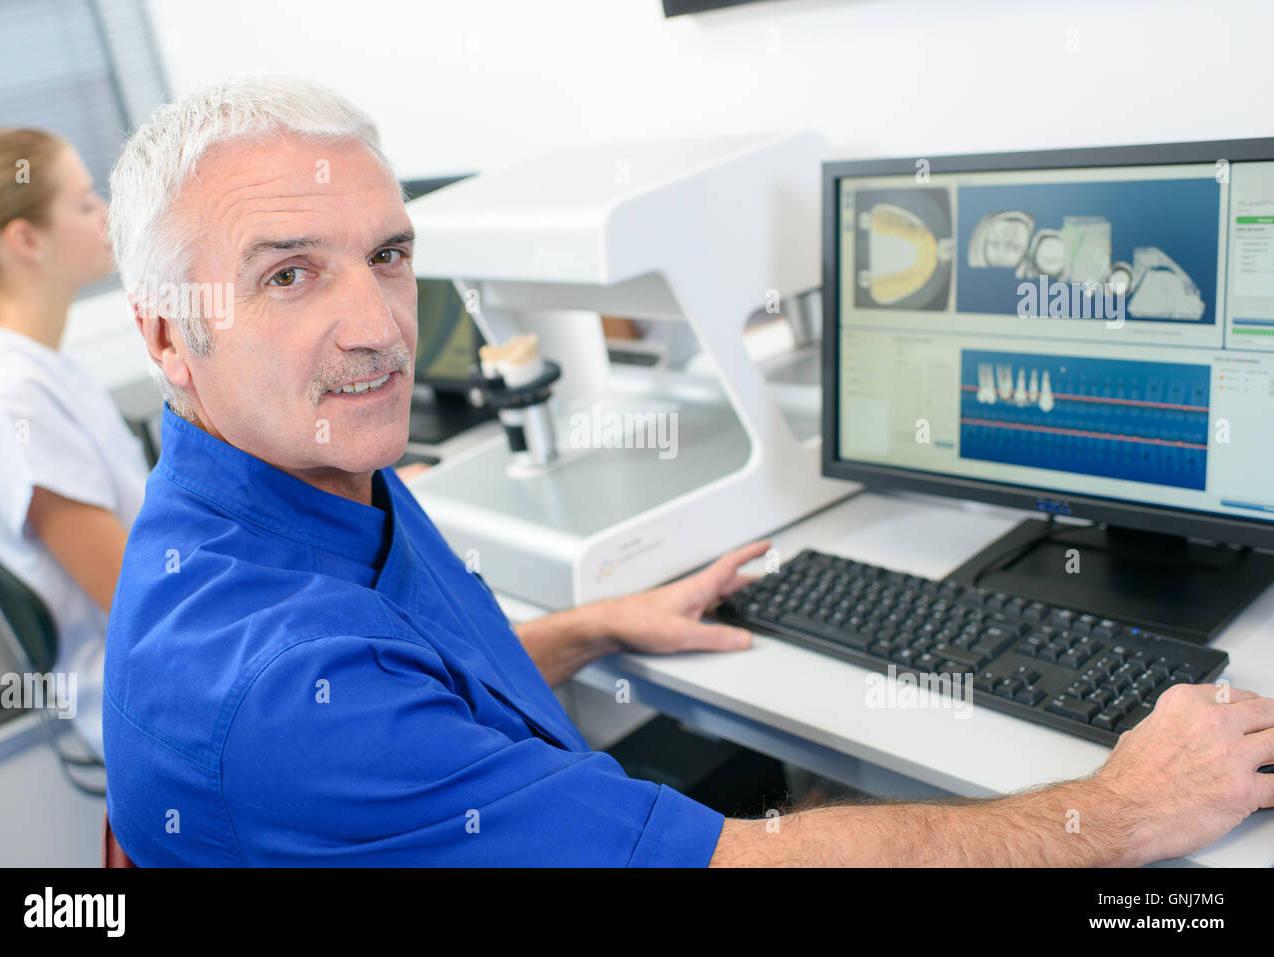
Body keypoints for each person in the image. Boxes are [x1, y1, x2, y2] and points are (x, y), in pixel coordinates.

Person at [102, 77, 1274, 866]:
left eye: (390, 256)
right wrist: (1119, 809)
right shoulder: (282, 691)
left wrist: (595, 627)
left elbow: (422, 677)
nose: (379, 328)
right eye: (288, 276)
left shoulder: (293, 479)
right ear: (165, 335)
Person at [0, 128, 147, 760]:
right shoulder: (10, 390)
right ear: (25, 240)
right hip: (136, 698)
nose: (103, 212)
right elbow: (136, 600)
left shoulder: (47, 368)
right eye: (82, 202)